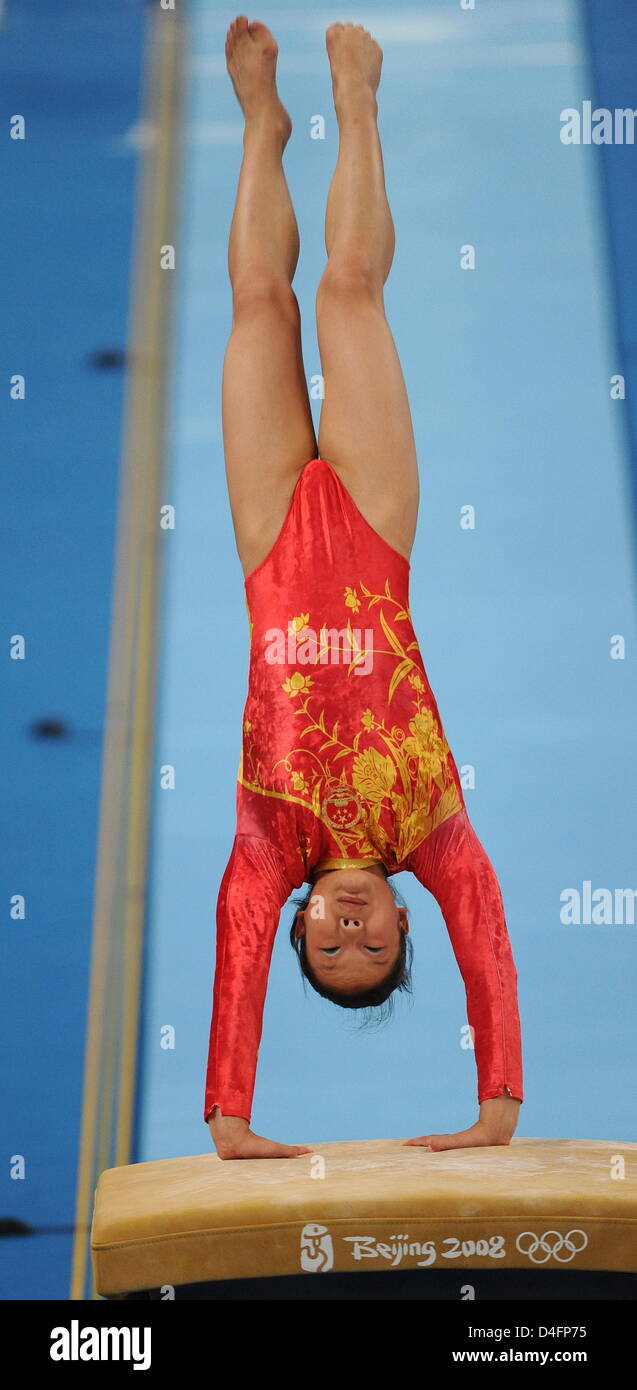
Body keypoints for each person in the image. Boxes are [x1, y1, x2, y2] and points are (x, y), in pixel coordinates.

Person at [205, 16, 523, 1160]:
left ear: (297, 926)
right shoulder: (432, 830)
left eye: (326, 950)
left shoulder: (267, 846)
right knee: (344, 296)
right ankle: (364, 108)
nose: (349, 934)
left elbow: (231, 950)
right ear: (401, 919)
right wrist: (498, 1106)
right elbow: (486, 938)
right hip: (377, 532)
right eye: (373, 948)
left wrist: (231, 1118)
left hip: (266, 538)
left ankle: (261, 124)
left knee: (256, 303)